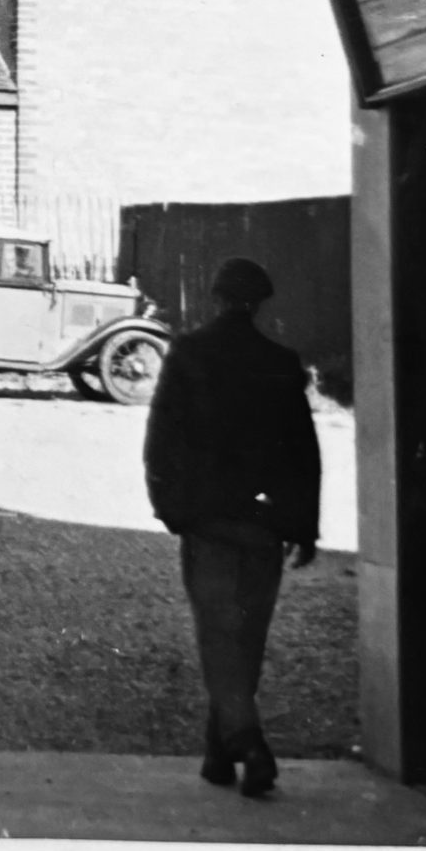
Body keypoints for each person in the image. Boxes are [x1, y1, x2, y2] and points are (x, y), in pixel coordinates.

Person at [143, 256, 321, 799]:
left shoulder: (189, 354)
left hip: (208, 523)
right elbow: (302, 453)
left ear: (216, 298)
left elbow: (161, 440)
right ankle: (218, 754)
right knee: (246, 641)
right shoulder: (281, 362)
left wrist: (171, 508)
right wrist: (304, 526)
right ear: (258, 303)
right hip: (263, 523)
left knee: (219, 637)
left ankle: (246, 742)